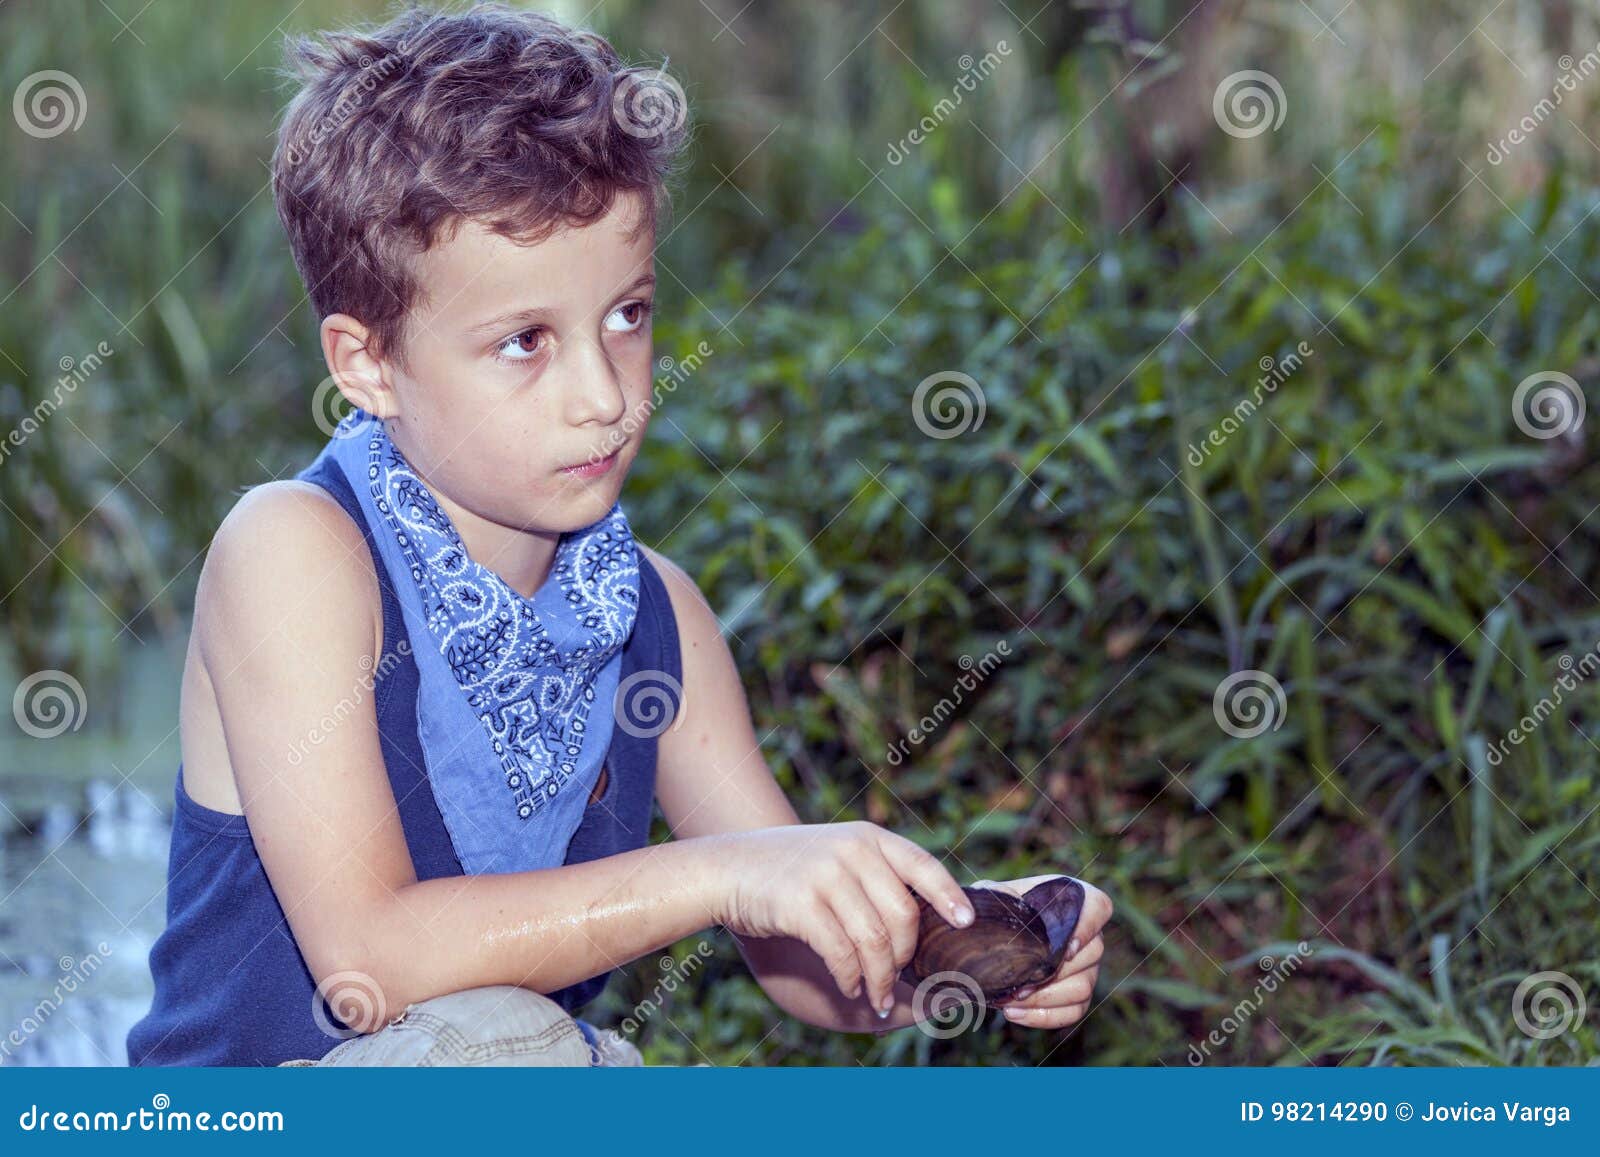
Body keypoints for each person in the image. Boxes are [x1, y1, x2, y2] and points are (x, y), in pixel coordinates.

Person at [126, 2, 1112, 1067]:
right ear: (366, 364)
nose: (603, 394)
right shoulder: (296, 554)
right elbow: (370, 962)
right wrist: (724, 871)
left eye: (628, 316)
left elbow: (805, 969)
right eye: (523, 341)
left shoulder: (657, 617)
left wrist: (955, 942)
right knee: (514, 1049)